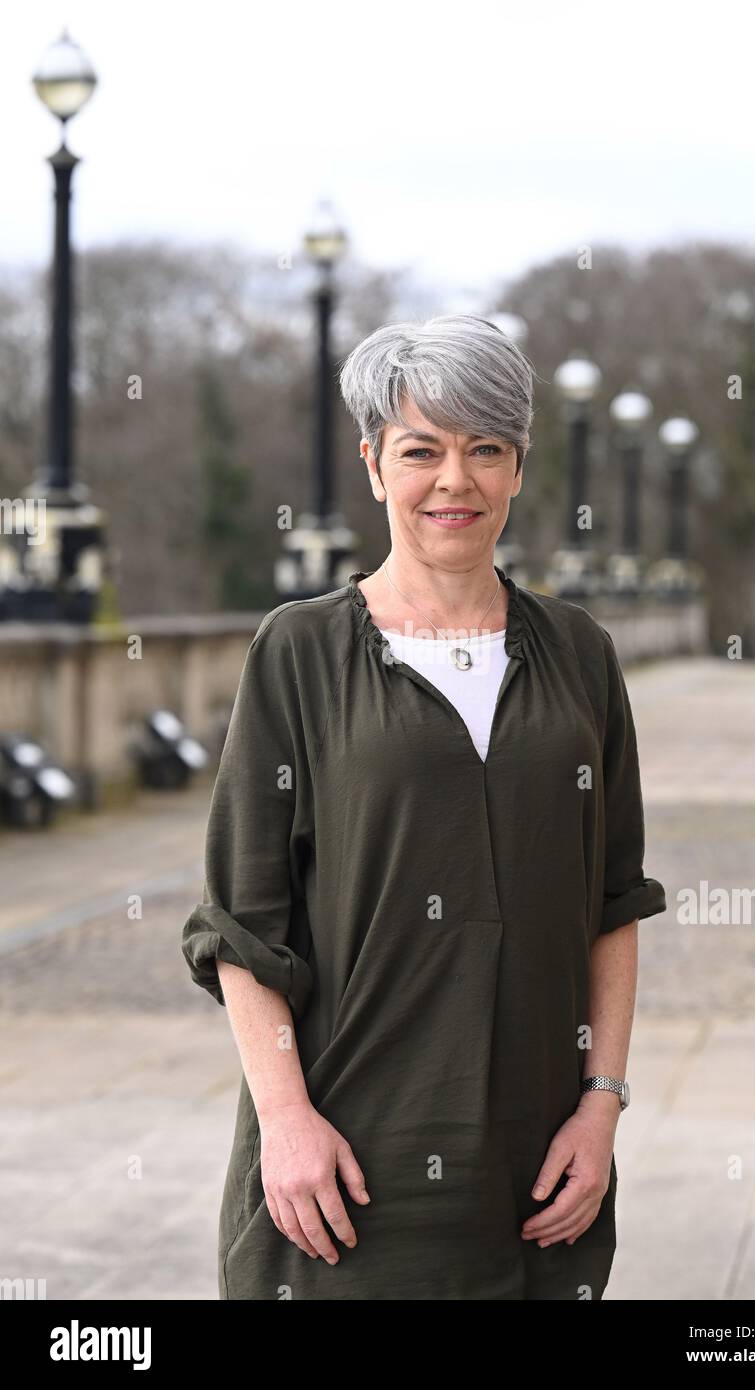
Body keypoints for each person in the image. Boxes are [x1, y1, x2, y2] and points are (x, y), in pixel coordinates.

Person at [182, 314, 667, 1300]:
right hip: (348, 1161)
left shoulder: (580, 654)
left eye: (486, 448)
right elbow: (241, 926)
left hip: (536, 1166)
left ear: (520, 467)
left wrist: (600, 1109)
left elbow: (611, 904)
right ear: (373, 464)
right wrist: (286, 1124)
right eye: (422, 450)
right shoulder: (299, 653)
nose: (456, 479)